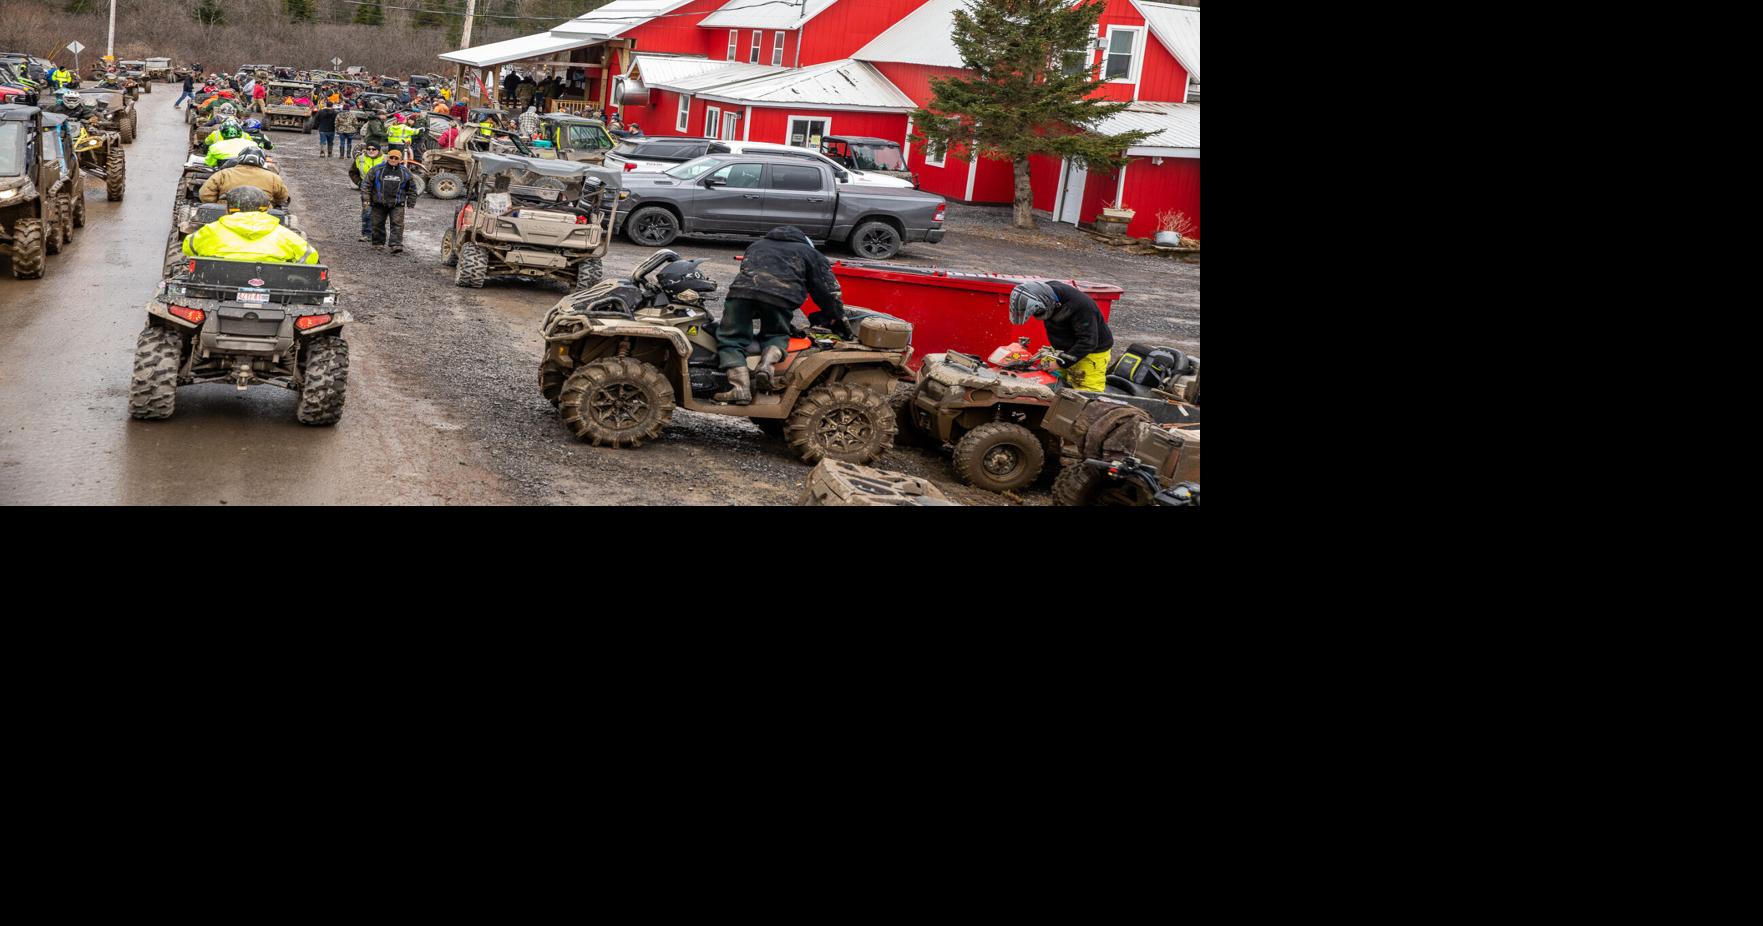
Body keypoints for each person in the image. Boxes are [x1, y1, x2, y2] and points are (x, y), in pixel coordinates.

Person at [714, 226, 851, 404]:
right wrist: (837, 316)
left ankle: (739, 388)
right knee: (776, 334)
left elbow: (753, 280)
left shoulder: (756, 245)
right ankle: (767, 365)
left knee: (731, 338)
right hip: (781, 298)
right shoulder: (811, 253)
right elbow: (827, 292)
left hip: (741, 294)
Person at [1007, 280, 1115, 392]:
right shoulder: (1045, 289)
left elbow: (1088, 342)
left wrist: (1060, 363)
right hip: (1062, 349)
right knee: (1050, 382)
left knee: (1085, 394)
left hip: (1090, 352)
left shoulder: (1082, 306)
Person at [183, 186, 318, 264]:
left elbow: (189, 249)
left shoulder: (213, 230)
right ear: (265, 208)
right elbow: (311, 257)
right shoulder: (283, 234)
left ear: (230, 208)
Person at [361, 147, 418, 254]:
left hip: (397, 204)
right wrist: (366, 200)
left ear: (400, 159)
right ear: (387, 158)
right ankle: (378, 243)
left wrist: (411, 201)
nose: (393, 160)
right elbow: (366, 185)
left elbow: (412, 188)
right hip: (378, 203)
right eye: (391, 157)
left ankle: (396, 244)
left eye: (396, 158)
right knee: (377, 224)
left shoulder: (405, 172)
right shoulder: (376, 170)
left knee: (397, 224)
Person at [198, 149, 290, 207]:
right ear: (262, 161)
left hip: (227, 212)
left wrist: (218, 205)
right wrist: (272, 204)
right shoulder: (273, 177)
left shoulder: (223, 174)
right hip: (262, 214)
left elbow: (205, 195)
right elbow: (282, 197)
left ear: (239, 159)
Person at [352, 142, 385, 241]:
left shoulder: (385, 160)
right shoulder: (360, 159)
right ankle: (367, 234)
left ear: (378, 150)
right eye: (369, 149)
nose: (371, 151)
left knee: (380, 213)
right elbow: (353, 172)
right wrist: (359, 183)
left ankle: (378, 236)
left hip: (381, 190)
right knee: (367, 211)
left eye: (374, 149)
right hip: (367, 190)